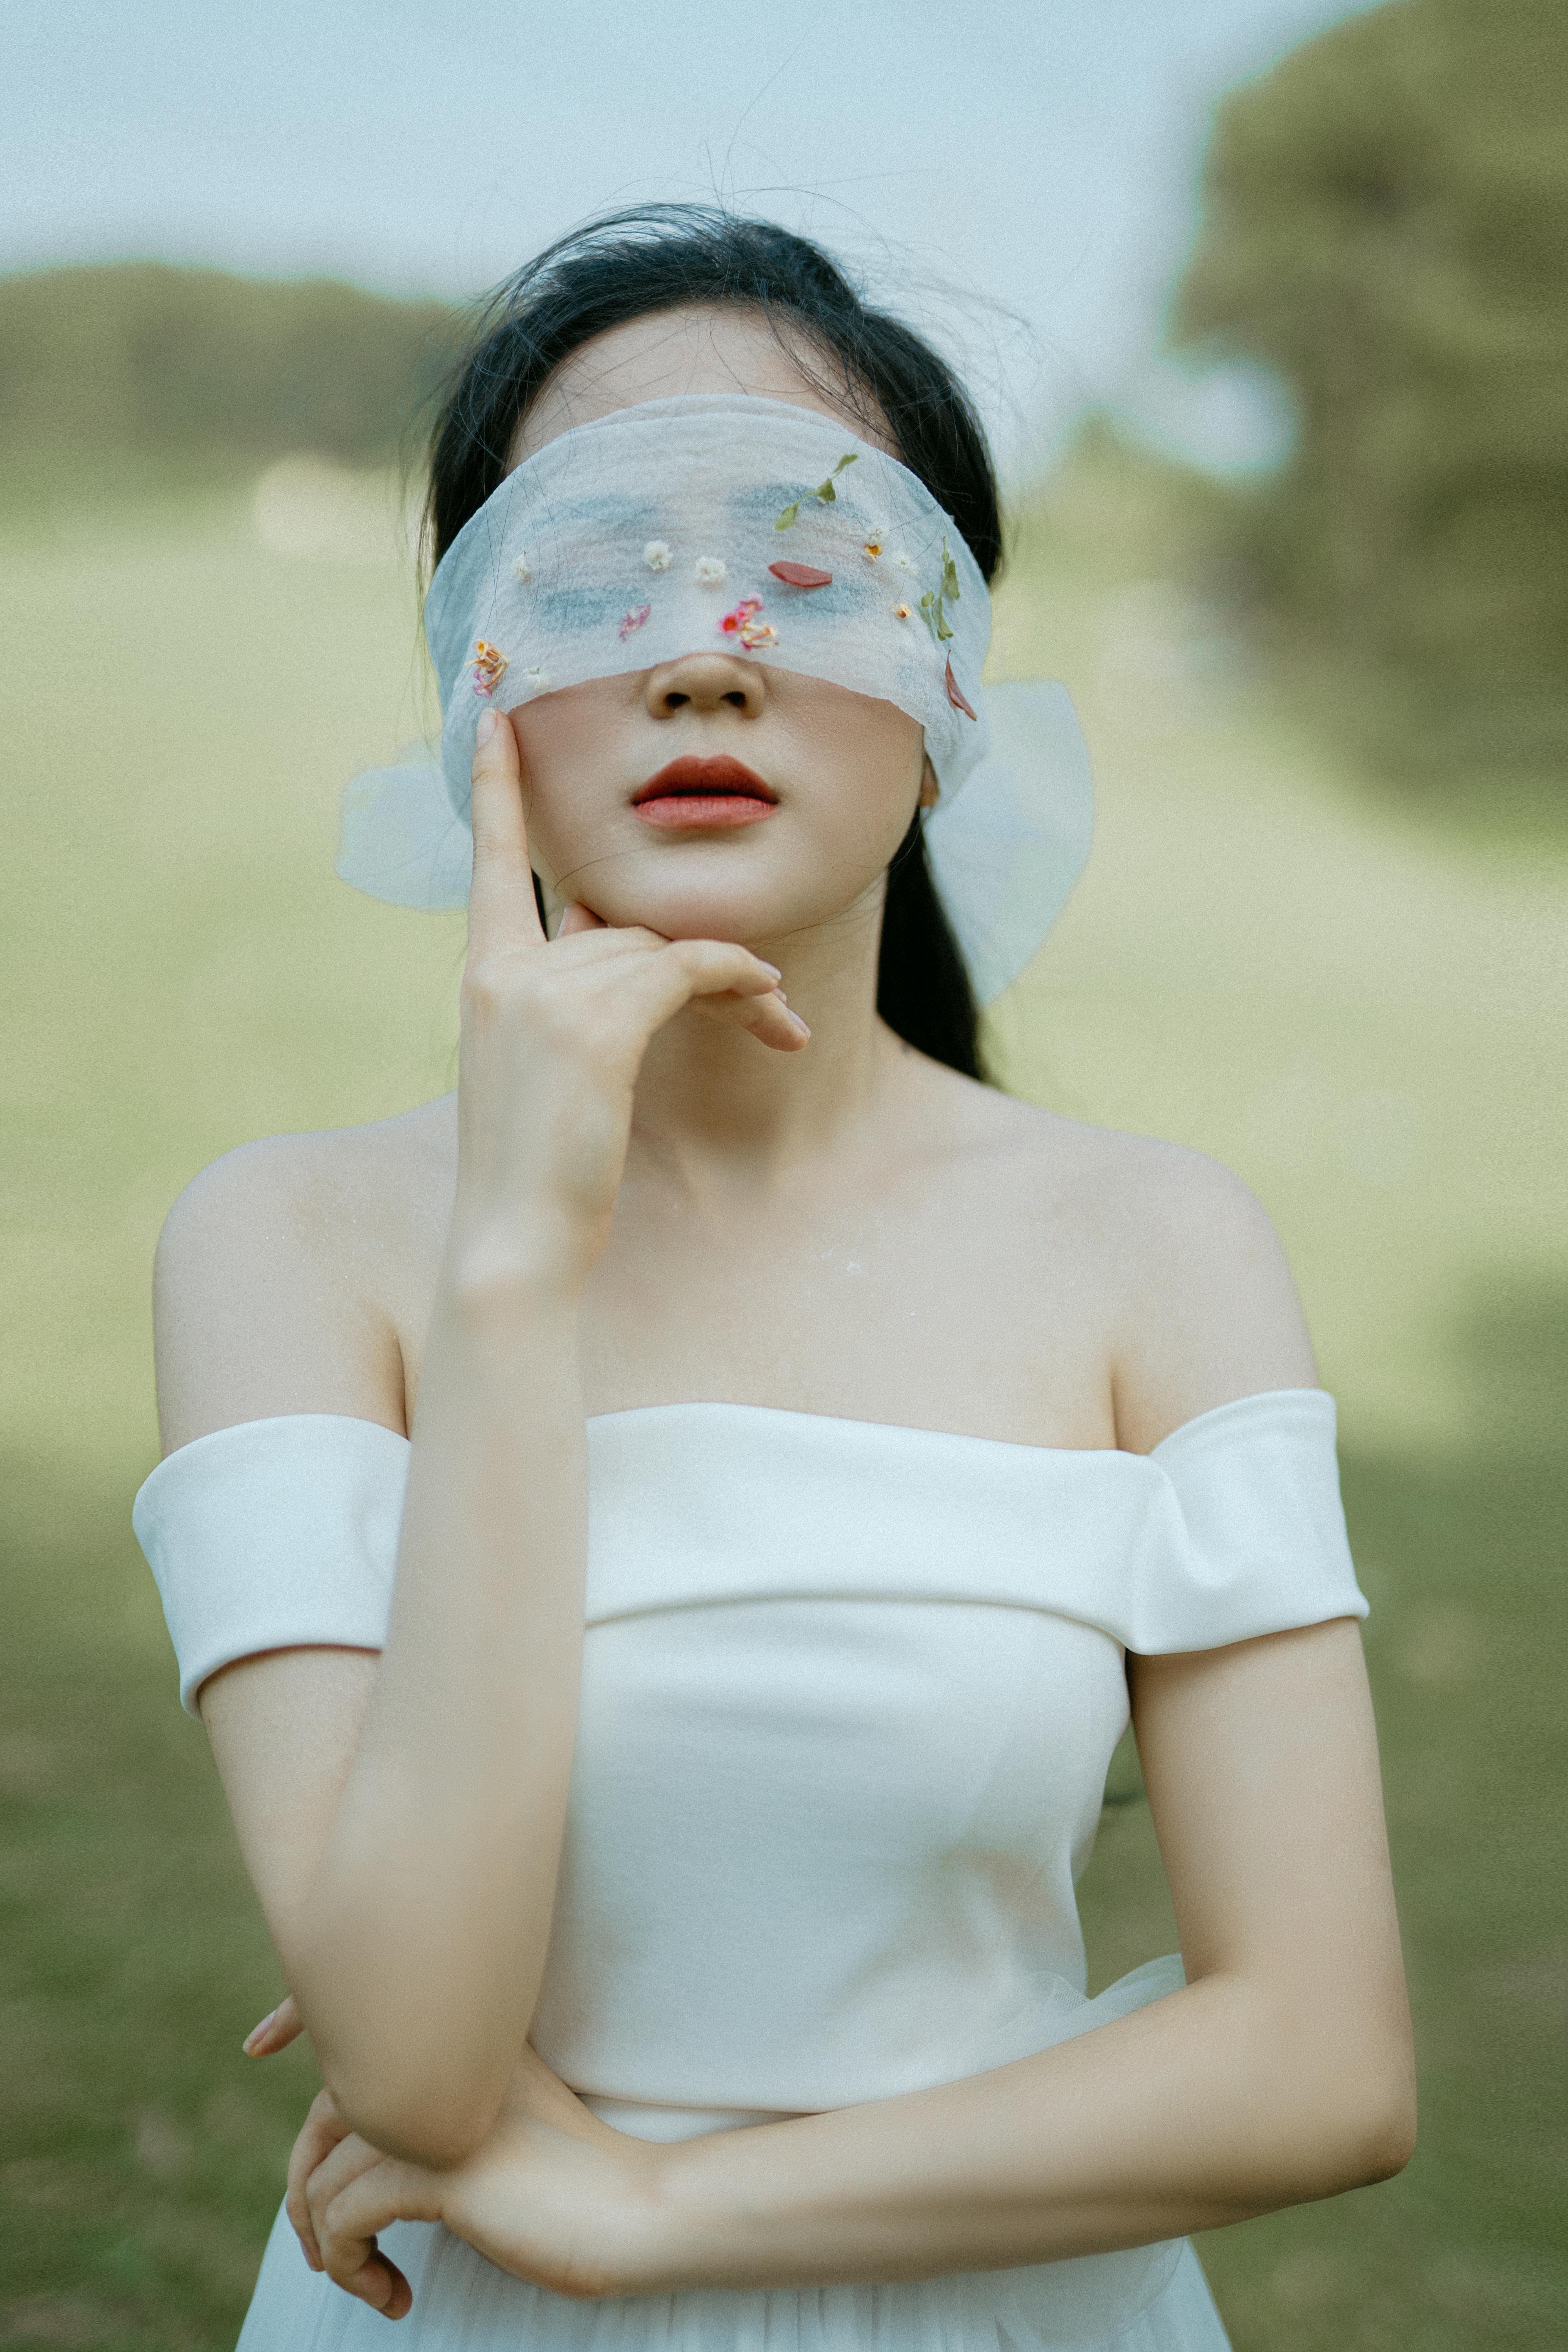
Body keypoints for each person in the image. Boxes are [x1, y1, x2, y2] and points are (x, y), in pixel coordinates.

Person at [133, 208, 1416, 2350]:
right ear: (479, 689)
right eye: (592, 561)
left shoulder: (1156, 1245)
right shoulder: (285, 1242)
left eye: (818, 567)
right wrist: (518, 1264)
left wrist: (653, 2208)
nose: (706, 643)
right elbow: (422, 2065)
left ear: (953, 691)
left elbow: (1325, 2062)